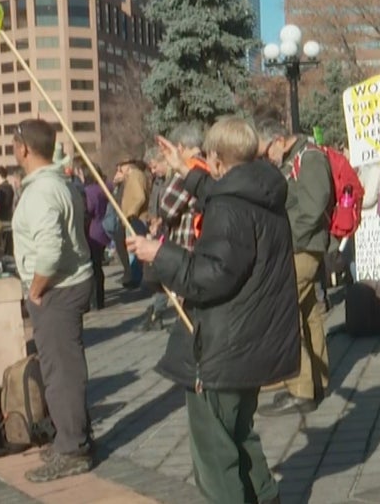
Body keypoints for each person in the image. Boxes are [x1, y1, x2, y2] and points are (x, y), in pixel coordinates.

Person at [127, 117, 297, 504]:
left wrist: (159, 254)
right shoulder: (261, 190)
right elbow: (223, 197)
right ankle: (266, 498)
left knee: (215, 450)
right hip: (251, 341)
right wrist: (187, 171)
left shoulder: (231, 208)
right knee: (237, 433)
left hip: (223, 346)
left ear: (217, 159)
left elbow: (211, 275)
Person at [10, 119, 96, 482]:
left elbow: (49, 250)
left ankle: (73, 447)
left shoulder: (42, 191)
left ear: (23, 148)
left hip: (56, 289)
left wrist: (35, 288)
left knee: (61, 373)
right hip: (66, 285)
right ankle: (72, 436)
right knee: (64, 369)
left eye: (14, 144)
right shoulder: (56, 182)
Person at [255, 118, 333, 417]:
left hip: (303, 247)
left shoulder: (309, 157)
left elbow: (314, 205)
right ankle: (317, 380)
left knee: (284, 313)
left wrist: (289, 238)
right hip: (301, 245)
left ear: (277, 140)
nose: (267, 158)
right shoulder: (298, 158)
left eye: (266, 151)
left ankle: (301, 389)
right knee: (307, 311)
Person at [142, 123, 208, 331]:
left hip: (186, 241)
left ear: (180, 147)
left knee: (185, 298)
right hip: (201, 241)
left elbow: (168, 208)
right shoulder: (207, 164)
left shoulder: (187, 169)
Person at [115, 158, 150, 288]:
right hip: (129, 218)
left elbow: (140, 197)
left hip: (135, 218)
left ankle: (136, 279)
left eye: (121, 166)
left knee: (134, 251)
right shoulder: (129, 177)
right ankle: (133, 277)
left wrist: (131, 213)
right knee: (130, 249)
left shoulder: (136, 175)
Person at [82, 168, 111, 311]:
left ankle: (94, 300)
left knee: (93, 267)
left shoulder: (89, 192)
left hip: (92, 231)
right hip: (103, 229)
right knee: (98, 266)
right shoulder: (105, 188)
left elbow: (89, 209)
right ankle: (100, 299)